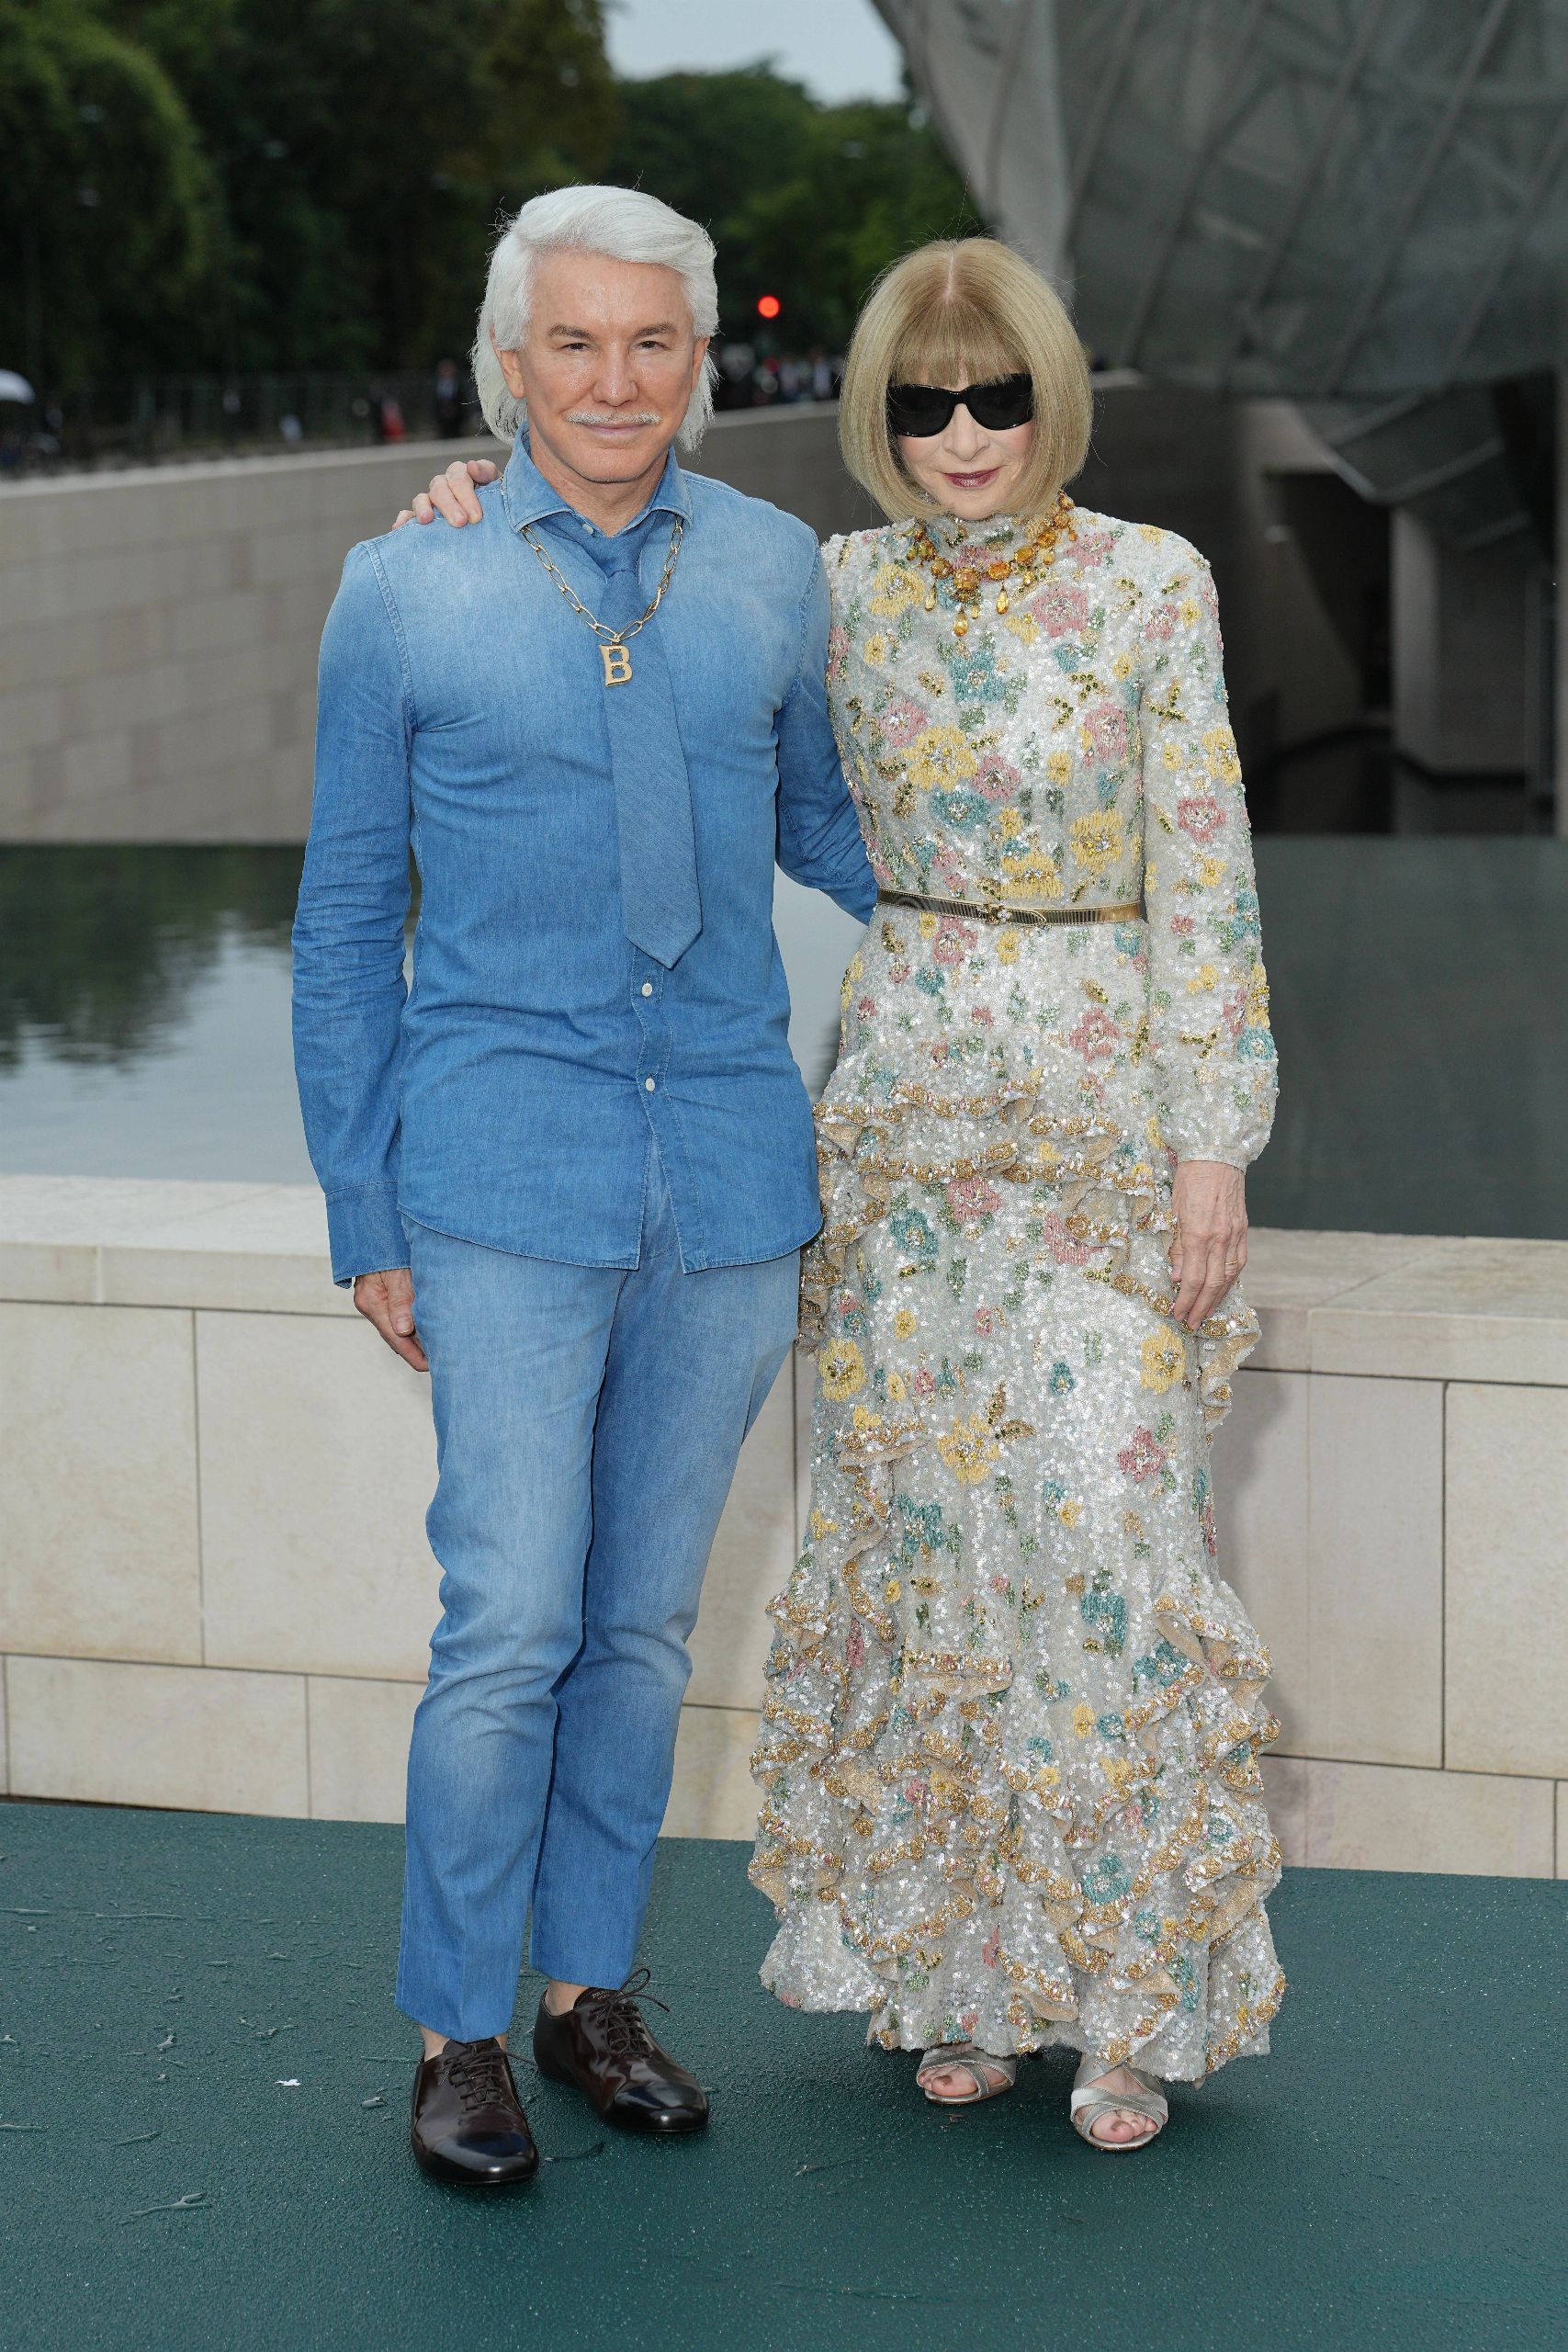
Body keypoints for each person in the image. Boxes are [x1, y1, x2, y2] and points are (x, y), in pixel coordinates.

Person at [402, 235, 1283, 2154]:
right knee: (925, 1557)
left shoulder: (1151, 581)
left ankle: (1130, 1996)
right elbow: (634, 614)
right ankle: (958, 1976)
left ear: (1050, 397)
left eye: (993, 396)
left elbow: (1206, 870)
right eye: (916, 401)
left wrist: (1211, 1137)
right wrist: (467, 503)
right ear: (874, 420)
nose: (959, 434)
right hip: (893, 1132)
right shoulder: (826, 590)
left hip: (1102, 1118)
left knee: (1103, 1540)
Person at [294, 184, 876, 2190]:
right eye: (575, 342)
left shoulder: (781, 572)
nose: (613, 379)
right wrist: (361, 1209)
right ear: (510, 362)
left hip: (722, 1171)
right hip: (499, 1166)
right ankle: (458, 2028)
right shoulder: (405, 588)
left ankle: (591, 1995)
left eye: (650, 342)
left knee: (637, 1624)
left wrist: (1054, 916)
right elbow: (346, 911)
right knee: (509, 1617)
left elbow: (835, 833)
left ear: (698, 359)